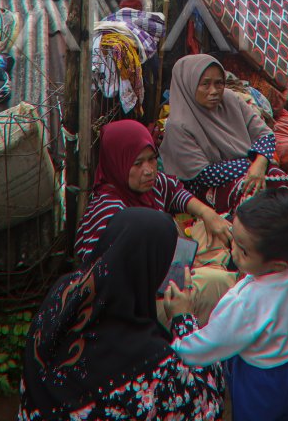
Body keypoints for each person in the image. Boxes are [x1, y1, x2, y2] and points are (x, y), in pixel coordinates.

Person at [18, 208, 225, 421]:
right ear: (149, 270)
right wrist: (185, 320)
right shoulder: (150, 361)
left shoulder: (63, 292)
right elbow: (207, 407)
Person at [166, 190, 288, 421]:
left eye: (243, 250)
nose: (233, 250)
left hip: (261, 380)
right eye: (234, 239)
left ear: (276, 263)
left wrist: (181, 333)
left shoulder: (245, 301)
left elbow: (210, 344)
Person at [75, 120, 236, 323]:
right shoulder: (110, 211)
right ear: (119, 162)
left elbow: (174, 191)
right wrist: (175, 272)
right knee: (215, 282)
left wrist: (207, 213)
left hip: (166, 268)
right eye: (137, 163)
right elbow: (109, 281)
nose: (149, 170)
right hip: (140, 305)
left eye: (152, 159)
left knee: (214, 225)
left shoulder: (149, 186)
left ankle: (216, 263)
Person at [160, 54, 288, 216]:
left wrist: (260, 164)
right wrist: (252, 166)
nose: (214, 91)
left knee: (278, 179)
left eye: (219, 83)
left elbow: (265, 135)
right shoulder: (178, 125)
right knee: (250, 194)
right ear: (188, 85)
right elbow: (205, 175)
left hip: (246, 169)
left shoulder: (230, 99)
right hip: (205, 188)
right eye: (205, 84)